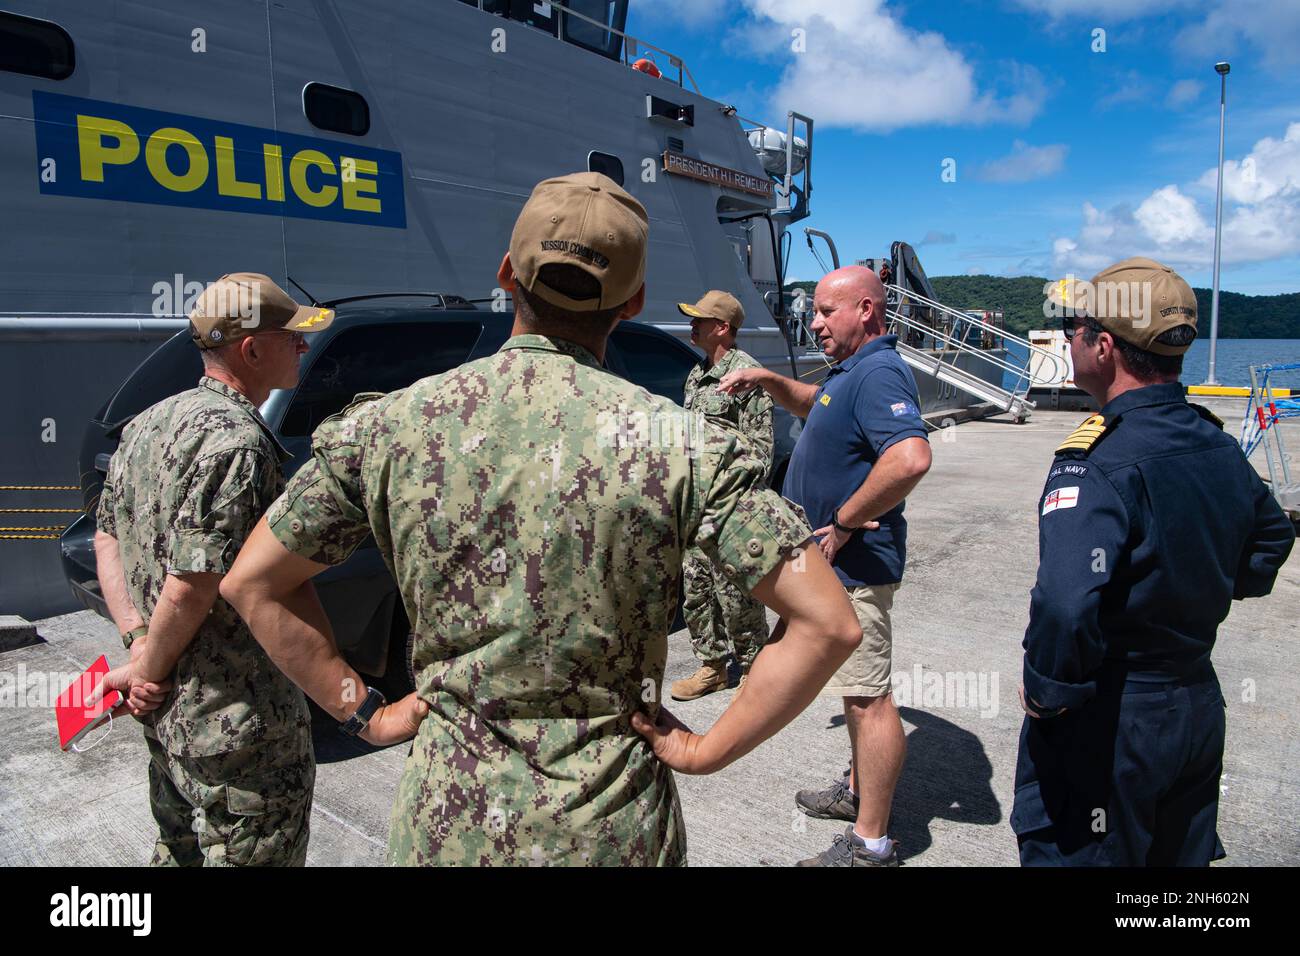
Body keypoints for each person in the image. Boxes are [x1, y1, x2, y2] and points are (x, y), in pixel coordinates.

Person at [220, 172, 862, 867]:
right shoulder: (683, 443)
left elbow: (253, 583)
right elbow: (829, 622)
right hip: (612, 830)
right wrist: (706, 750)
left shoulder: (391, 427)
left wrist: (364, 711)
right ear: (635, 301)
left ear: (505, 274)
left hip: (445, 829)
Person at [1013, 257, 1295, 866]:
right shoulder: (1215, 442)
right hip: (1194, 702)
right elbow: (1272, 538)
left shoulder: (1096, 463)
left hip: (1113, 720)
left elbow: (1065, 602)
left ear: (1104, 346)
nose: (1070, 341)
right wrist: (1199, 581)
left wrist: (1048, 695)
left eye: (1076, 330)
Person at [92, 273, 336, 866]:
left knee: (176, 852)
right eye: (292, 336)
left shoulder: (148, 424)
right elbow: (190, 587)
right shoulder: (238, 445)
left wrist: (137, 643)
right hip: (239, 729)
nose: (303, 347)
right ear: (250, 349)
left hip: (171, 719)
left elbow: (105, 538)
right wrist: (146, 666)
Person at [719, 265, 932, 867]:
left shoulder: (880, 370)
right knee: (852, 691)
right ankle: (859, 792)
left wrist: (841, 522)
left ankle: (871, 844)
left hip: (858, 566)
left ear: (866, 310)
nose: (814, 323)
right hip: (838, 569)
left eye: (825, 312)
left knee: (869, 699)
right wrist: (767, 379)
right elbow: (817, 404)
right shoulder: (851, 373)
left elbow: (911, 457)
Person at [671, 290, 774, 701]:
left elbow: (762, 450)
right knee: (697, 589)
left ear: (722, 328)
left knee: (737, 592)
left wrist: (731, 488)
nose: (690, 326)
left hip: (730, 507)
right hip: (696, 505)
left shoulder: (748, 376)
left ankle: (754, 670)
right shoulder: (697, 375)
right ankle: (712, 666)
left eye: (699, 320)